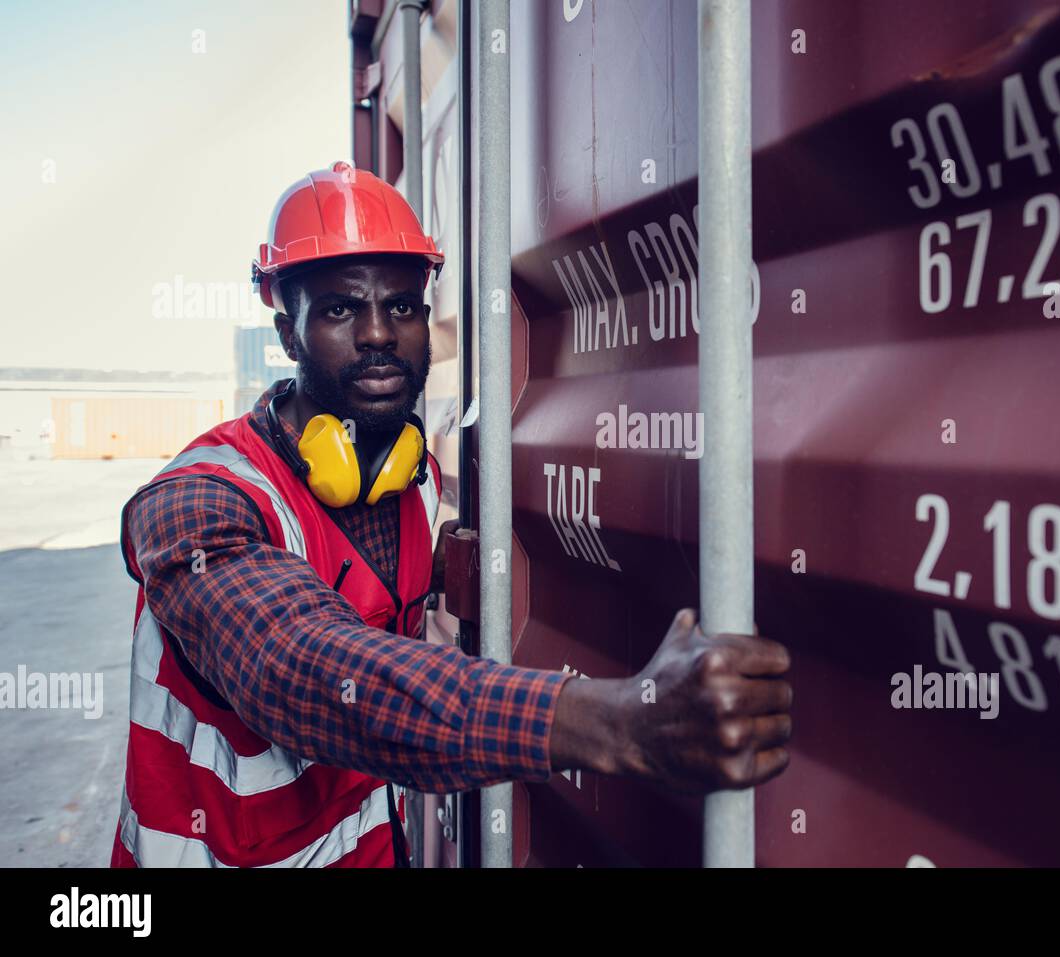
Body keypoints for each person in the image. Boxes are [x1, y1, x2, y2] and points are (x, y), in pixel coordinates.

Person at [110, 163, 792, 868]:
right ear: (287, 332)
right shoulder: (198, 503)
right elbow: (298, 664)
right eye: (341, 309)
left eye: (402, 306)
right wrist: (616, 721)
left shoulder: (414, 482)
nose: (379, 333)